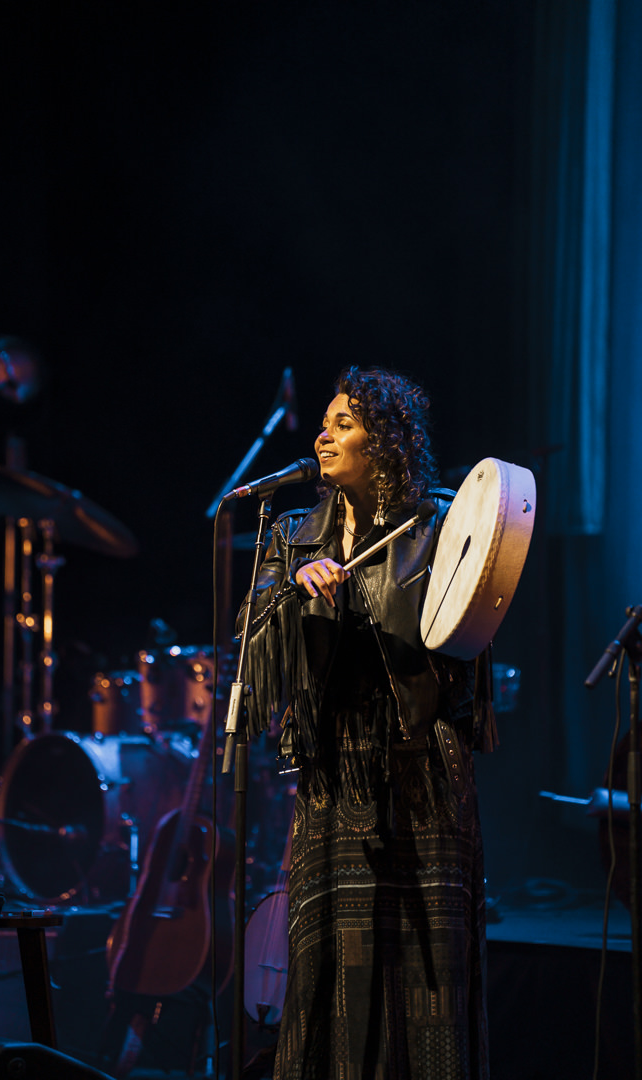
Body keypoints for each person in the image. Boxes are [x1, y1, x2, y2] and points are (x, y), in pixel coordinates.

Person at [240, 366, 494, 1080]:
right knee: (334, 974)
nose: (323, 435)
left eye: (343, 424)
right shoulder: (292, 538)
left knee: (428, 977)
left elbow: (470, 637)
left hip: (423, 770)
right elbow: (255, 674)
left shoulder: (439, 525)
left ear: (384, 442)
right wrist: (294, 592)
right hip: (333, 779)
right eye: (324, 424)